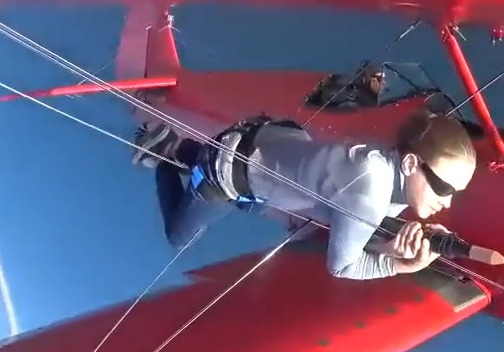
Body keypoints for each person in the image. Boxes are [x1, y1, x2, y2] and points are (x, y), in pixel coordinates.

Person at [131, 108, 477, 279]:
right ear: (411, 163)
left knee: (254, 196)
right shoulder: (371, 188)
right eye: (443, 187)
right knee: (179, 236)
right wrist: (401, 265)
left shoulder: (387, 168)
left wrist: (404, 241)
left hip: (269, 141)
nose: (446, 201)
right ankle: (160, 153)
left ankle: (181, 149)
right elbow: (341, 266)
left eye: (455, 193)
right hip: (230, 171)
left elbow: (356, 221)